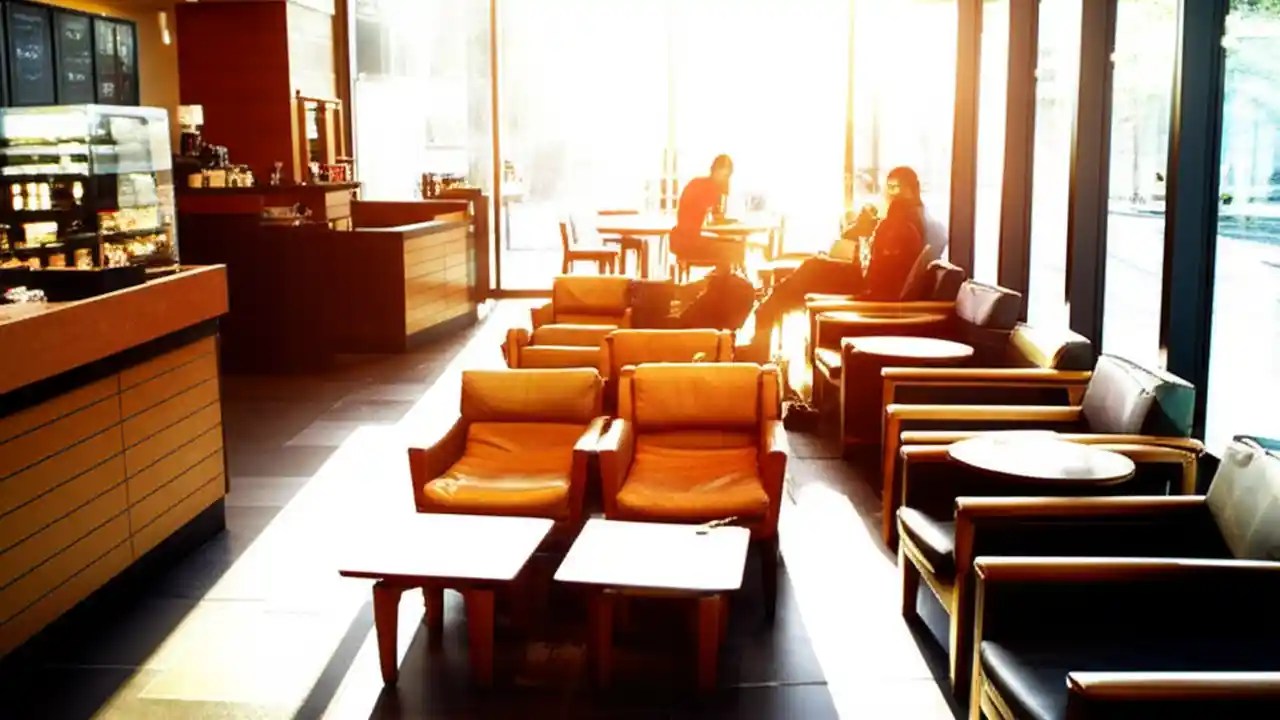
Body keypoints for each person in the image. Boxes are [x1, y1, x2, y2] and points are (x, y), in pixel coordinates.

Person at [747, 165, 940, 353]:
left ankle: (763, 326)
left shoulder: (900, 223)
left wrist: (867, 237)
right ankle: (765, 320)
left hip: (872, 295)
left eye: (892, 188)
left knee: (811, 268)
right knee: (813, 266)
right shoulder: (919, 219)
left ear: (906, 189)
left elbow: (878, 276)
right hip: (875, 287)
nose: (888, 195)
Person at [670, 154, 743, 270]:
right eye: (724, 175)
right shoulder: (706, 188)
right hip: (689, 242)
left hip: (681, 239)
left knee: (733, 246)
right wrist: (722, 192)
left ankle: (723, 280)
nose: (725, 179)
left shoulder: (699, 183)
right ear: (715, 171)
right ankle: (725, 282)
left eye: (728, 176)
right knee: (734, 248)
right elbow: (716, 219)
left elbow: (715, 217)